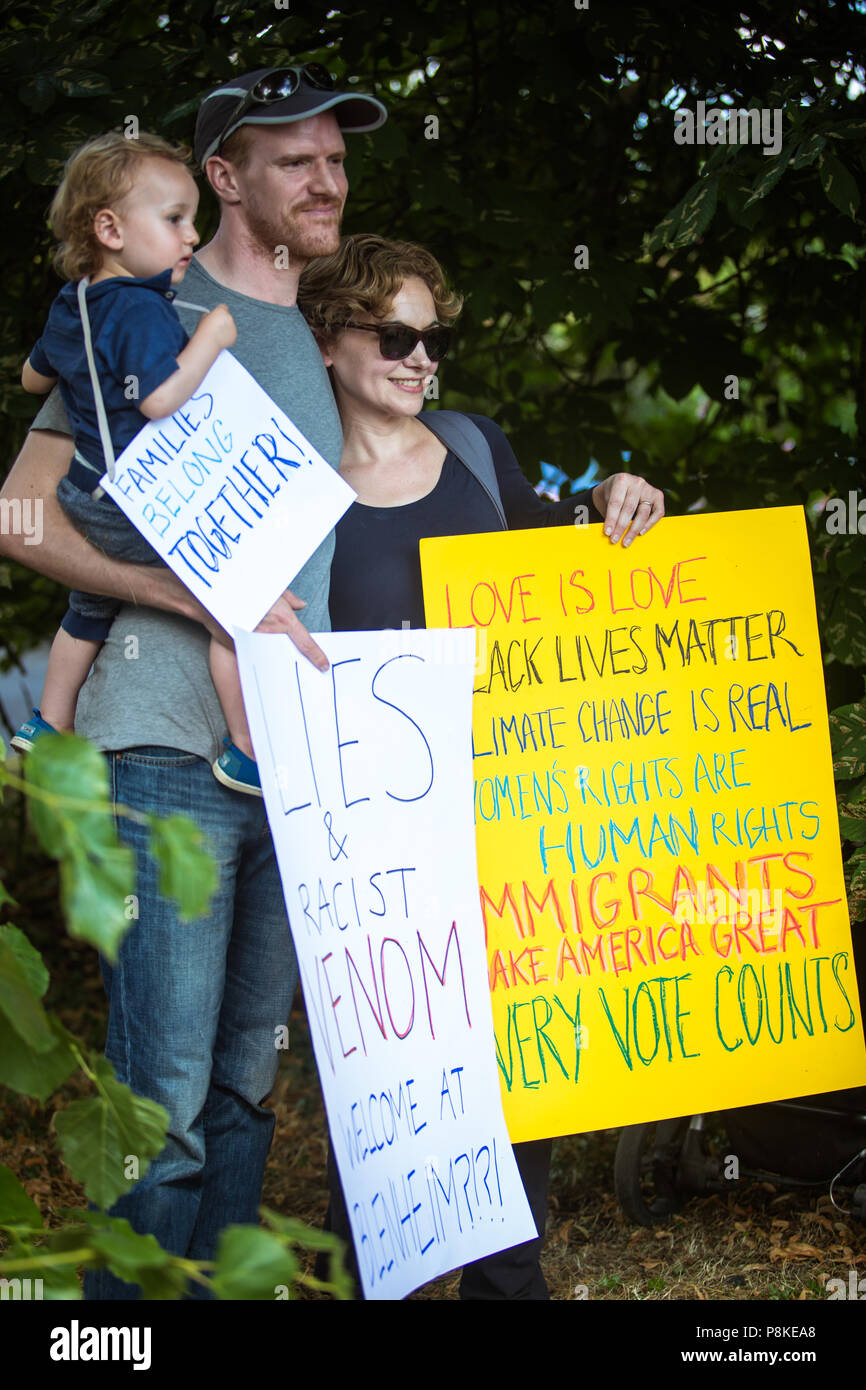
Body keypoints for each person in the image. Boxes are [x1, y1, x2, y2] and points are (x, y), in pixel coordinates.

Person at [0, 65, 386, 1300]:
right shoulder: (145, 305)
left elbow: (436, 475)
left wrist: (608, 501)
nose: (325, 179)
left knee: (242, 1083)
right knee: (160, 1092)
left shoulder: (329, 336)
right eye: (294, 161)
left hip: (295, 760)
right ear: (222, 178)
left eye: (335, 158)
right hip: (164, 748)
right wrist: (179, 593)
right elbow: (16, 511)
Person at [296, 232, 665, 1300]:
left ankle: (508, 1282)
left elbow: (560, 560)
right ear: (329, 338)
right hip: (367, 855)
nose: (420, 360)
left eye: (432, 340)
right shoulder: (297, 490)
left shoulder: (471, 447)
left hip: (503, 824)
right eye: (396, 335)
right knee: (381, 1106)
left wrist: (610, 500)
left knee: (515, 1084)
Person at [11, 130, 273, 793]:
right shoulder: (142, 308)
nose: (191, 236)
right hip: (142, 501)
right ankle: (245, 750)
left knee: (90, 606)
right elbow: (159, 399)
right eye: (174, 219)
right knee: (232, 605)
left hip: (85, 494)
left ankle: (48, 723)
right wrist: (210, 336)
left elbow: (32, 380)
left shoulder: (73, 301)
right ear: (110, 228)